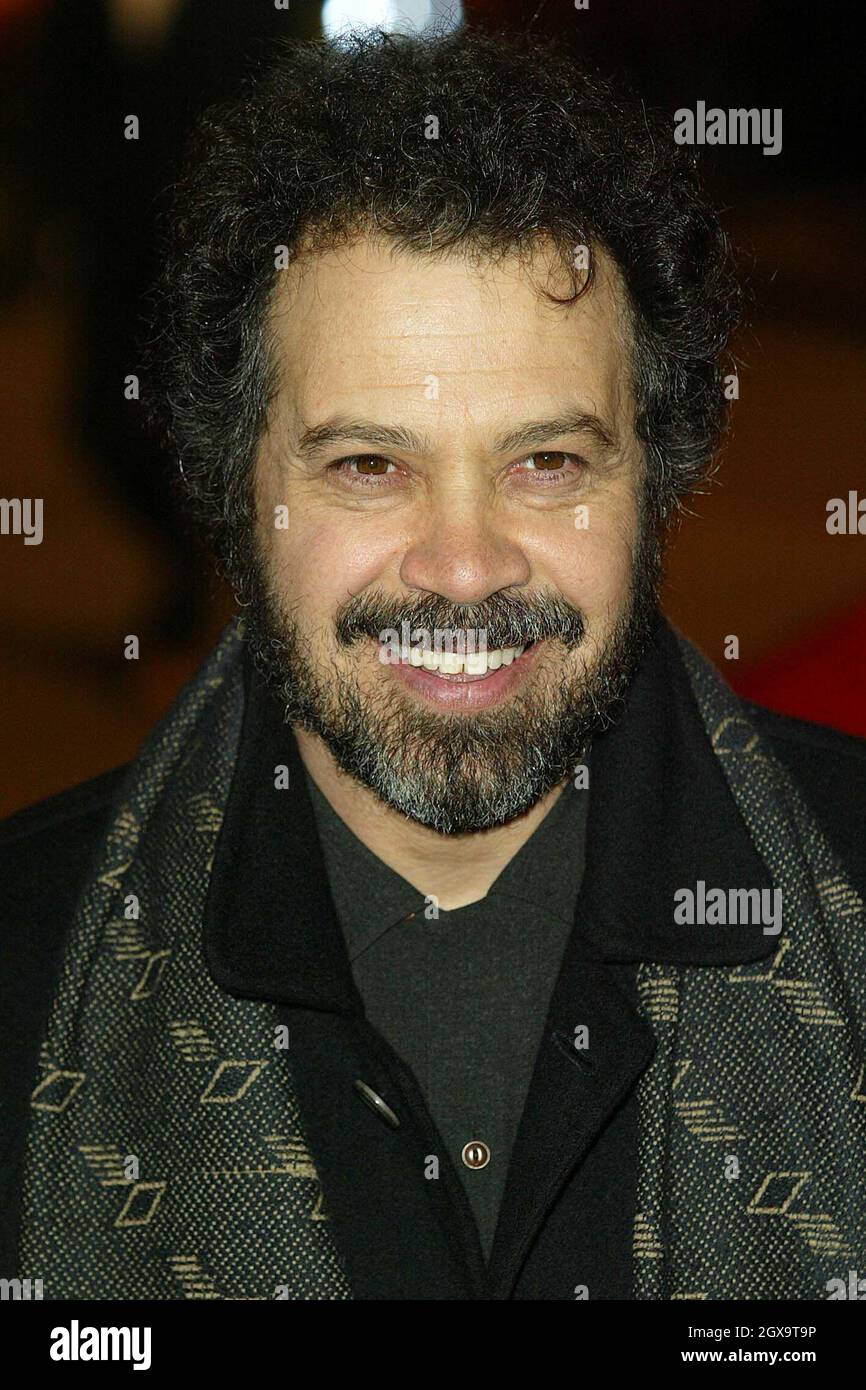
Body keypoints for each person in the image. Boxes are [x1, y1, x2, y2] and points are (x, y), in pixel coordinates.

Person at [2, 25, 865, 1302]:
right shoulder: (26, 971)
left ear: (657, 478)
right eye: (367, 466)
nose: (463, 568)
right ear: (233, 490)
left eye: (547, 464)